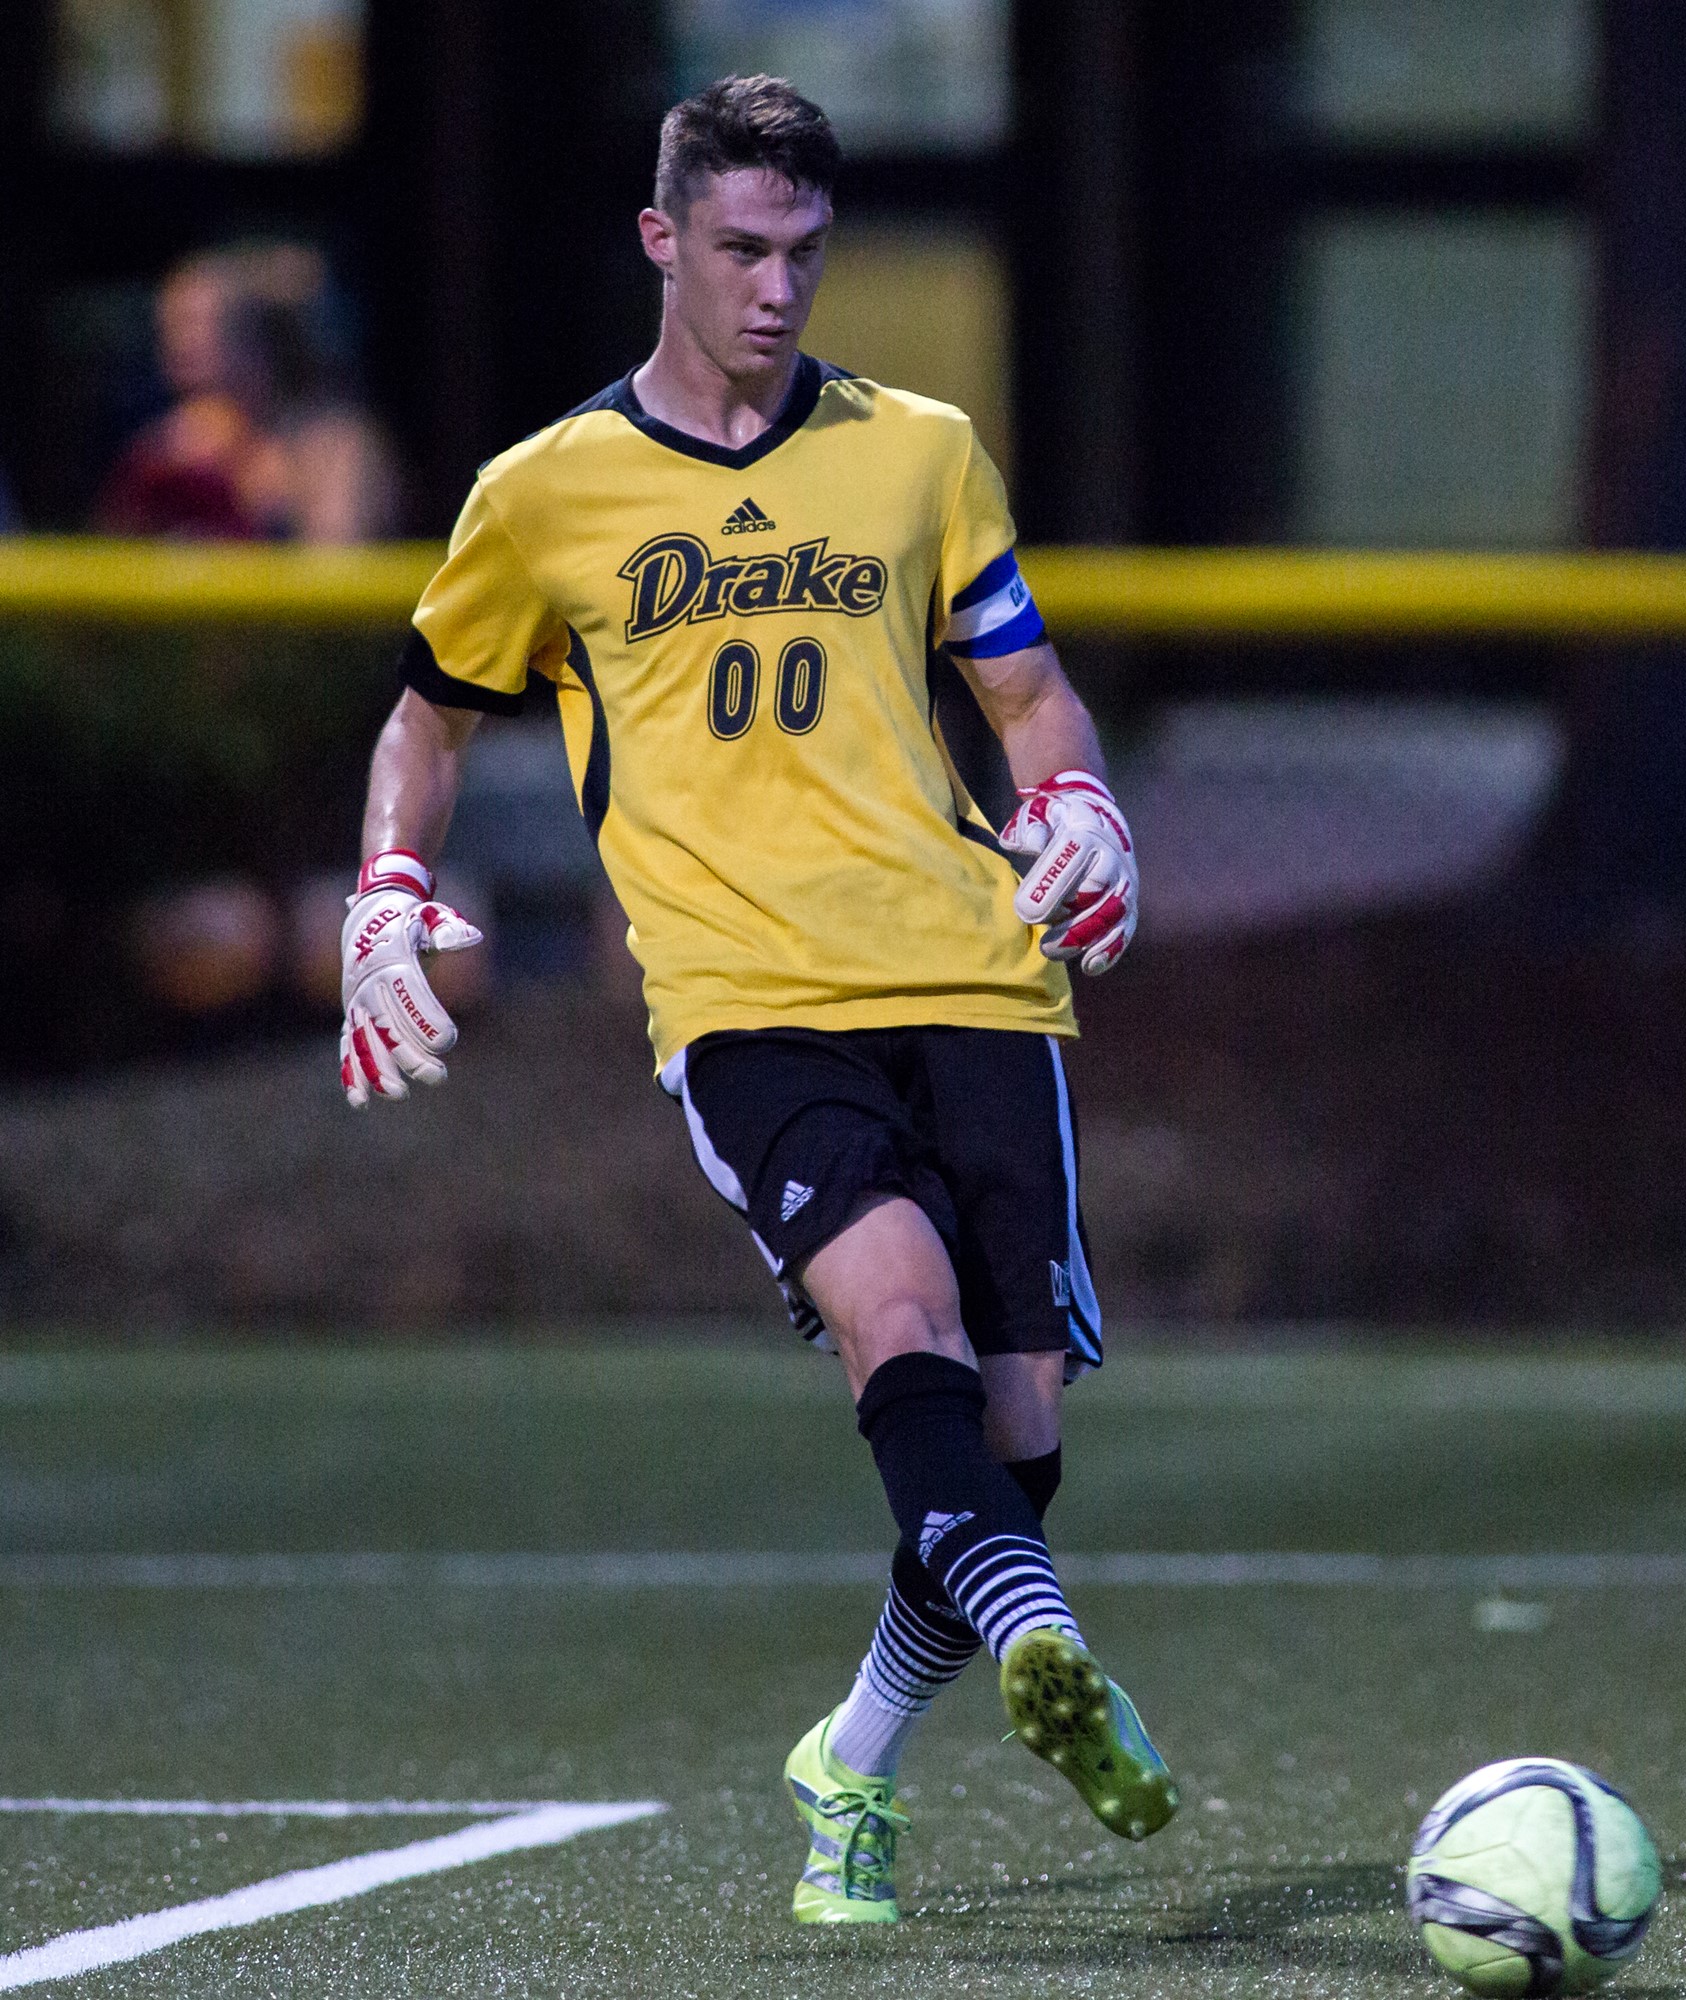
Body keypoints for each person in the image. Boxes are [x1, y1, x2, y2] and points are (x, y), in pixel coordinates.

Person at [338, 74, 1175, 1924]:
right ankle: (1050, 1654)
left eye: (804, 250)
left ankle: (852, 1761)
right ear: (660, 242)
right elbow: (424, 720)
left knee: (1014, 1435)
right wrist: (389, 882)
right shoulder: (543, 494)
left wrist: (1084, 802)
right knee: (900, 1319)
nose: (777, 287)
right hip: (739, 995)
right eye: (739, 249)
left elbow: (1027, 701)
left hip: (973, 970)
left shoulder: (923, 452)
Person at [95, 244, 399, 543]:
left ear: (256, 334)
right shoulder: (162, 451)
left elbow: (339, 573)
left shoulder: (336, 446)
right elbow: (112, 562)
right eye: (168, 323)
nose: (179, 341)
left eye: (193, 322)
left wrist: (273, 505)